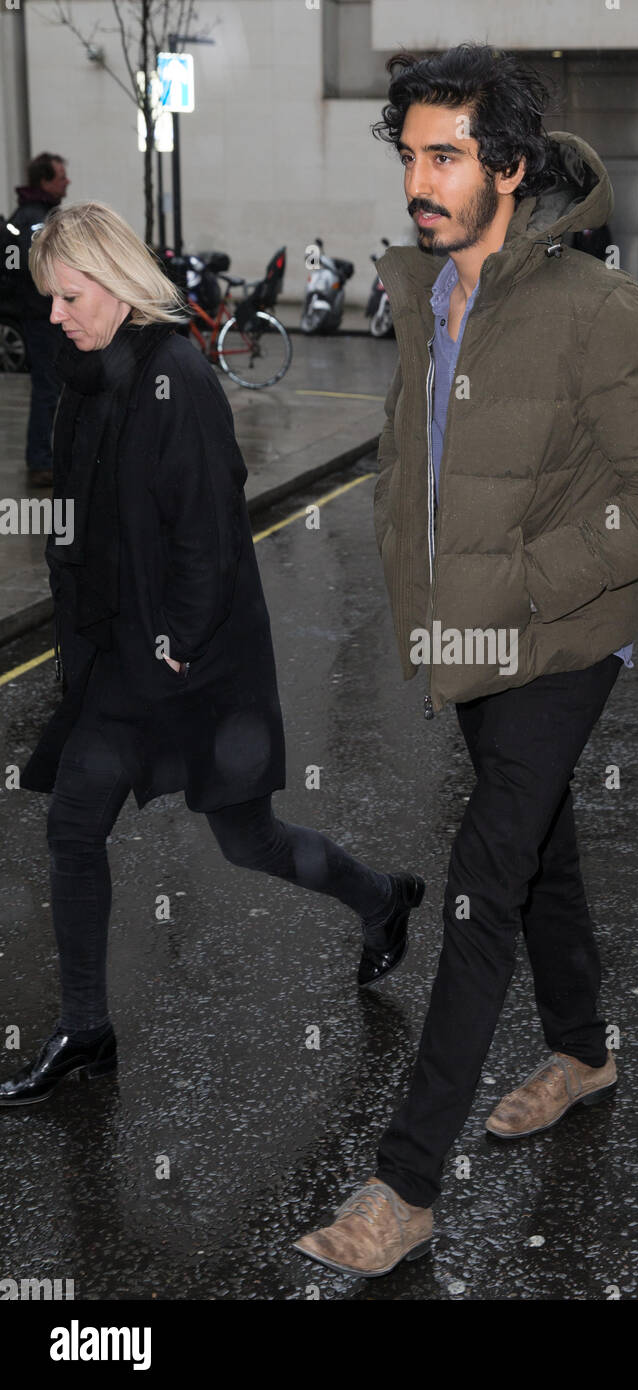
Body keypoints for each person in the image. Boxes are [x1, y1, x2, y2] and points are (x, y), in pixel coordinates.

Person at [294, 43, 638, 1277]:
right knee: (541, 853)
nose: (418, 179)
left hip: (561, 642)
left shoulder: (597, 309)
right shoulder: (426, 292)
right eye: (409, 153)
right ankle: (582, 1049)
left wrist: (526, 581)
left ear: (510, 168)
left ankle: (404, 1184)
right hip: (467, 639)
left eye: (445, 156)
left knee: (483, 883)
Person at [0, 201, 424, 1109]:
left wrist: (181, 647)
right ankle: (85, 1029)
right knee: (74, 824)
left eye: (69, 296)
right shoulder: (86, 371)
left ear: (114, 285)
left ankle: (381, 898)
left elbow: (209, 531)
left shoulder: (177, 375)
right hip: (120, 657)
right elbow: (78, 506)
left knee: (249, 841)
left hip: (194, 664)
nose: (56, 315)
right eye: (50, 299)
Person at [8, 152, 70, 487]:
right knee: (48, 390)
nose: (67, 181)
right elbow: (35, 271)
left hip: (39, 314)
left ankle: (45, 458)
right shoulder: (34, 220)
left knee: (51, 388)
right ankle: (41, 462)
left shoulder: (35, 215)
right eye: (61, 176)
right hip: (41, 317)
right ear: (44, 181)